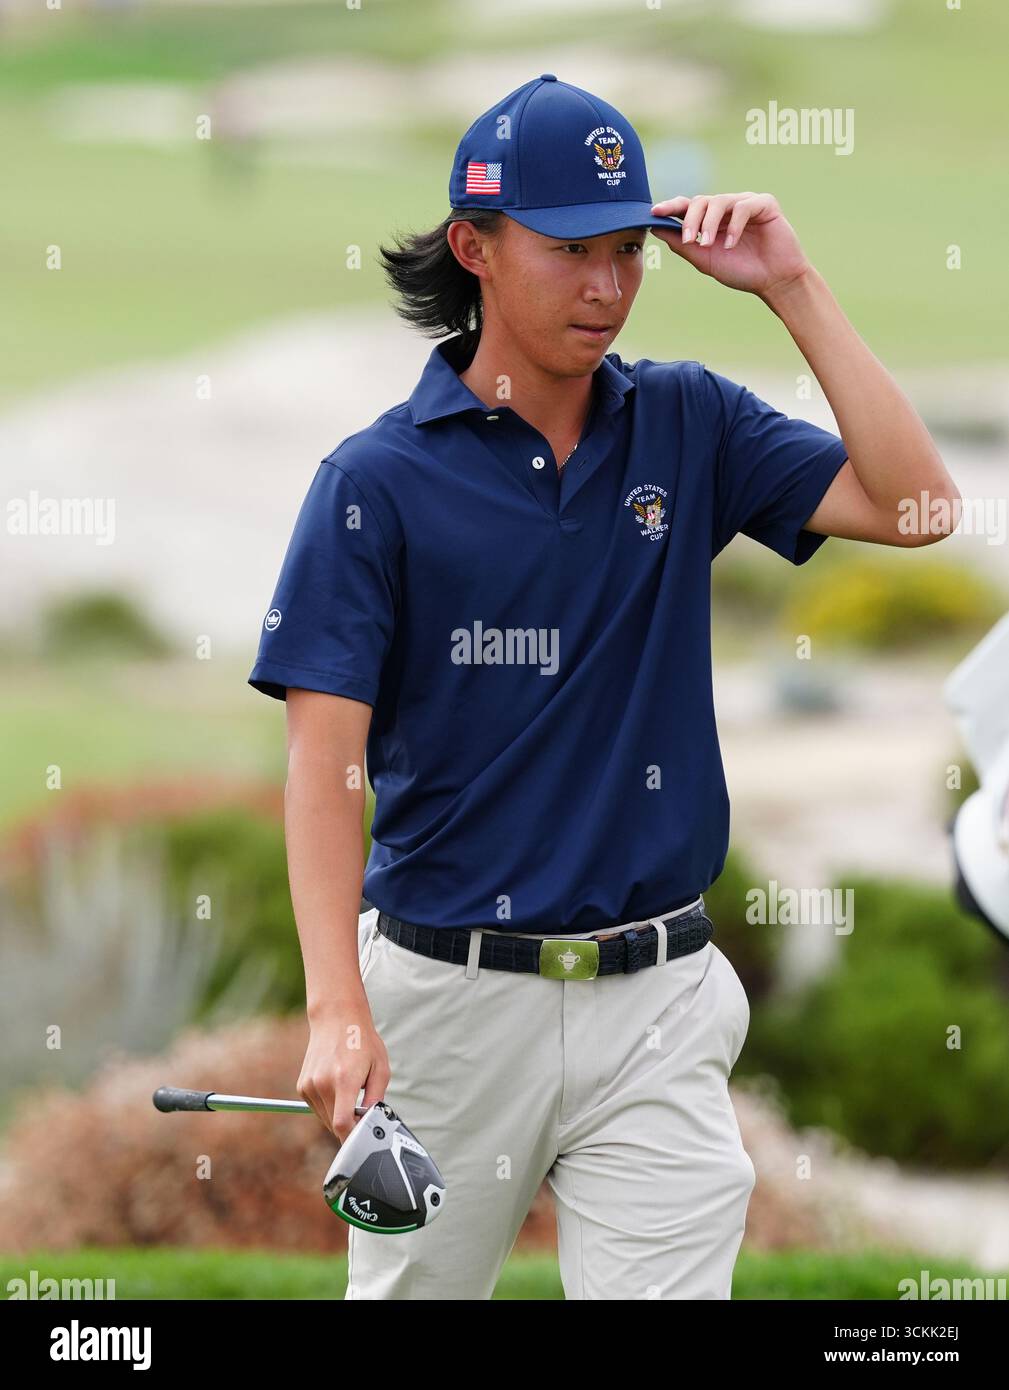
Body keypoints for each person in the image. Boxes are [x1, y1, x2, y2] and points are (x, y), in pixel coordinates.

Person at [247, 75, 960, 1299]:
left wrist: (793, 285)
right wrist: (336, 1008)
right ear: (474, 247)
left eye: (629, 251)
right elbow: (325, 767)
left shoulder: (688, 423)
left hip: (659, 1002)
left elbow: (916, 507)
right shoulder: (372, 481)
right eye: (572, 251)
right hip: (446, 1003)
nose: (607, 288)